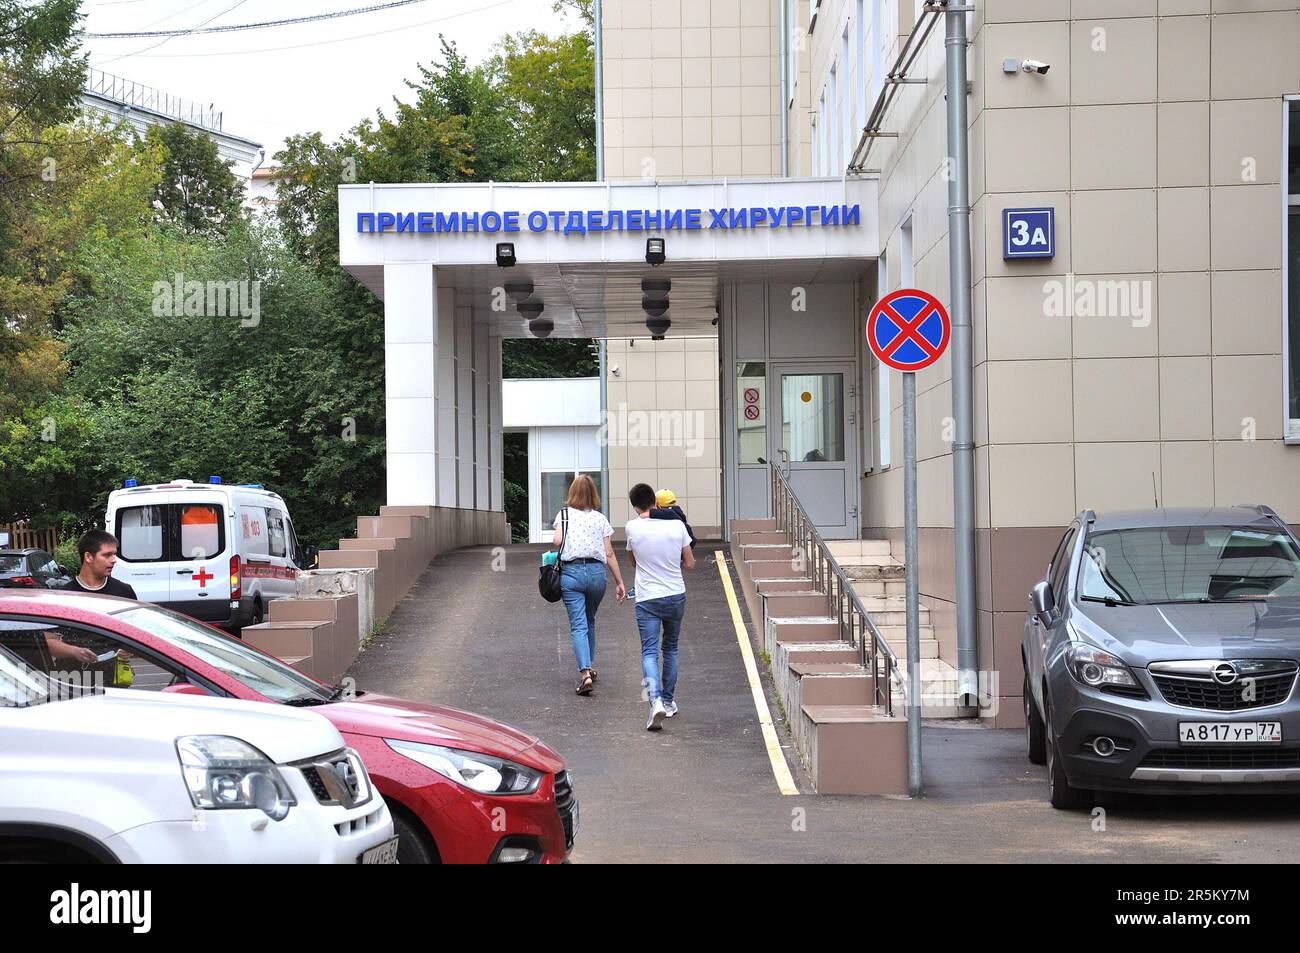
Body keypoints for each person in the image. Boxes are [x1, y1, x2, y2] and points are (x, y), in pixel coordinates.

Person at [624, 483, 695, 731]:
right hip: (675, 594)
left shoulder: (632, 527)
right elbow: (689, 563)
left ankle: (655, 702)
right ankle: (668, 700)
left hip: (647, 598)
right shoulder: (677, 525)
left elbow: (633, 561)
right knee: (671, 649)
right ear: (655, 501)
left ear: (635, 506)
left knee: (649, 652)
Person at [552, 475, 626, 696]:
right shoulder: (600, 519)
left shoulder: (564, 515)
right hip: (596, 574)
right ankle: (590, 667)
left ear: (572, 493)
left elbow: (557, 541)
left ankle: (585, 673)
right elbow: (609, 553)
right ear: (593, 493)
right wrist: (619, 582)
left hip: (572, 573)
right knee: (590, 620)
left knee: (578, 624)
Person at [57, 530, 138, 600]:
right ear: (88, 557)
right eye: (107, 555)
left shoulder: (124, 592)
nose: (114, 560)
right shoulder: (65, 596)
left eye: (114, 554)